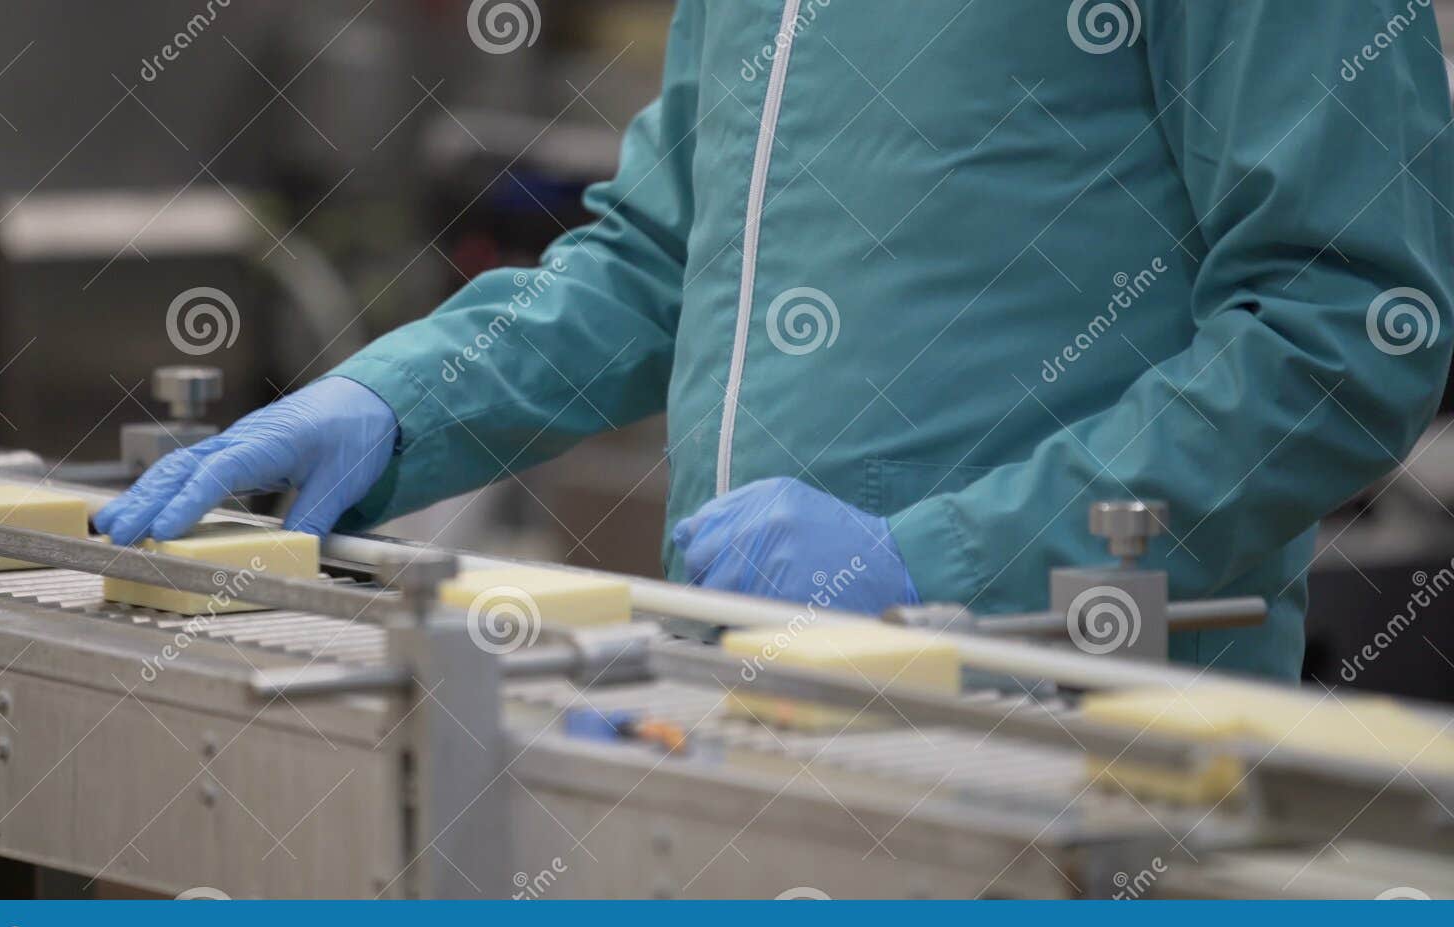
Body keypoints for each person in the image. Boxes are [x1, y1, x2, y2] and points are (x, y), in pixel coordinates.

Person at [96, 0, 1454, 680]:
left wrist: (945, 564)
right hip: (749, 717)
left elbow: (1344, 323)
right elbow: (659, 259)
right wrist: (398, 401)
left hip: (1078, 747)